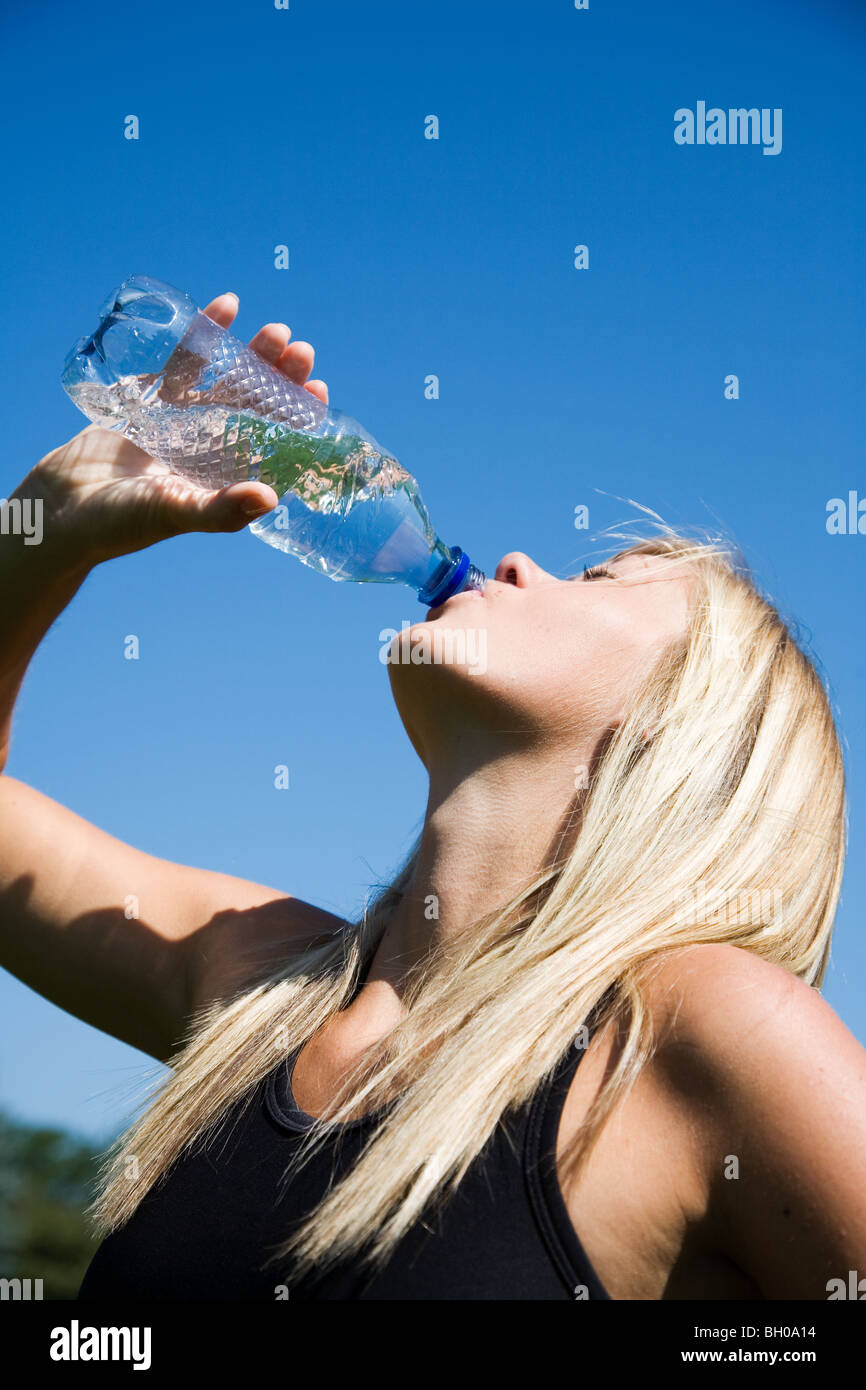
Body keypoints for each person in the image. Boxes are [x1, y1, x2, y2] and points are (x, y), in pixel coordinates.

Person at [2, 292, 865, 1302]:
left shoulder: (695, 1036)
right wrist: (41, 538)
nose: (514, 563)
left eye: (597, 577)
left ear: (678, 729)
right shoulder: (258, 983)